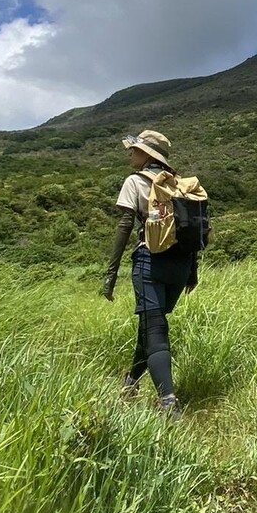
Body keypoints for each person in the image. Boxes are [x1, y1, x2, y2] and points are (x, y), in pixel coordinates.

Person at [101, 129, 198, 413]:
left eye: (134, 150)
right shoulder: (179, 185)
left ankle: (168, 402)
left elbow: (124, 227)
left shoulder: (135, 181)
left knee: (154, 329)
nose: (130, 154)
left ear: (146, 154)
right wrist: (192, 272)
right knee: (149, 326)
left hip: (150, 261)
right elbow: (191, 229)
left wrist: (110, 275)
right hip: (180, 266)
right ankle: (131, 382)